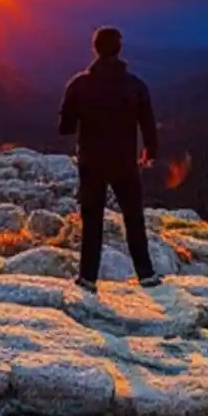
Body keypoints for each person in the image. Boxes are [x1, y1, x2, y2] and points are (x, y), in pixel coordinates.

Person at [58, 26, 163, 292]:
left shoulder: (79, 84)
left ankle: (88, 278)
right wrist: (149, 150)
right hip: (125, 162)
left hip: (91, 162)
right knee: (133, 217)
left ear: (95, 48)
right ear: (119, 49)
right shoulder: (136, 85)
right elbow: (148, 124)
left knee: (92, 219)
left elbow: (66, 127)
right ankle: (146, 274)